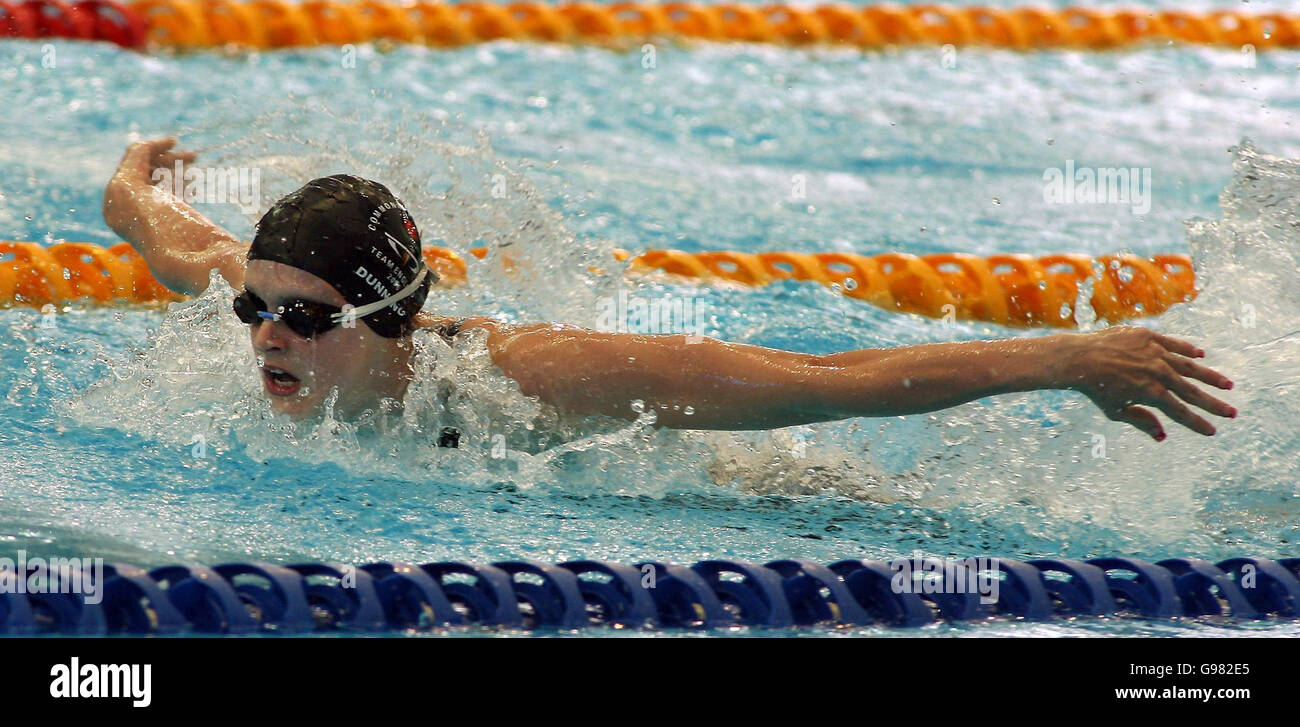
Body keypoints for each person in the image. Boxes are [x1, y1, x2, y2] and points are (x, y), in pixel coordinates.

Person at [102, 138, 1236, 444]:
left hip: (745, 496)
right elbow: (162, 234)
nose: (262, 334)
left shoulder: (523, 378)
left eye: (301, 316)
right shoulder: (257, 304)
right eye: (257, 308)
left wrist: (1066, 356)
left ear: (386, 318)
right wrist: (132, 181)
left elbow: (827, 380)